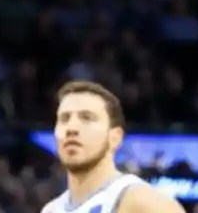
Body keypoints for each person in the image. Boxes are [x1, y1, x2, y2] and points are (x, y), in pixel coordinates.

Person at [44, 81, 186, 213]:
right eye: (64, 118)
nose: (71, 128)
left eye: (87, 118)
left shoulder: (144, 203)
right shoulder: (51, 210)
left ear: (115, 138)